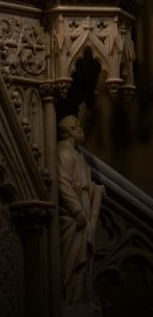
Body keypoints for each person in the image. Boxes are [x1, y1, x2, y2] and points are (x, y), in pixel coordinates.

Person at [57, 114, 103, 306]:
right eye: (78, 126)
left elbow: (82, 182)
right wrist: (77, 211)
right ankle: (71, 298)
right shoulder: (64, 152)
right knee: (73, 257)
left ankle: (81, 297)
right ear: (70, 131)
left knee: (85, 254)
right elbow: (63, 183)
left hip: (83, 202)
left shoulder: (78, 154)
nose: (82, 129)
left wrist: (94, 190)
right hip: (74, 212)